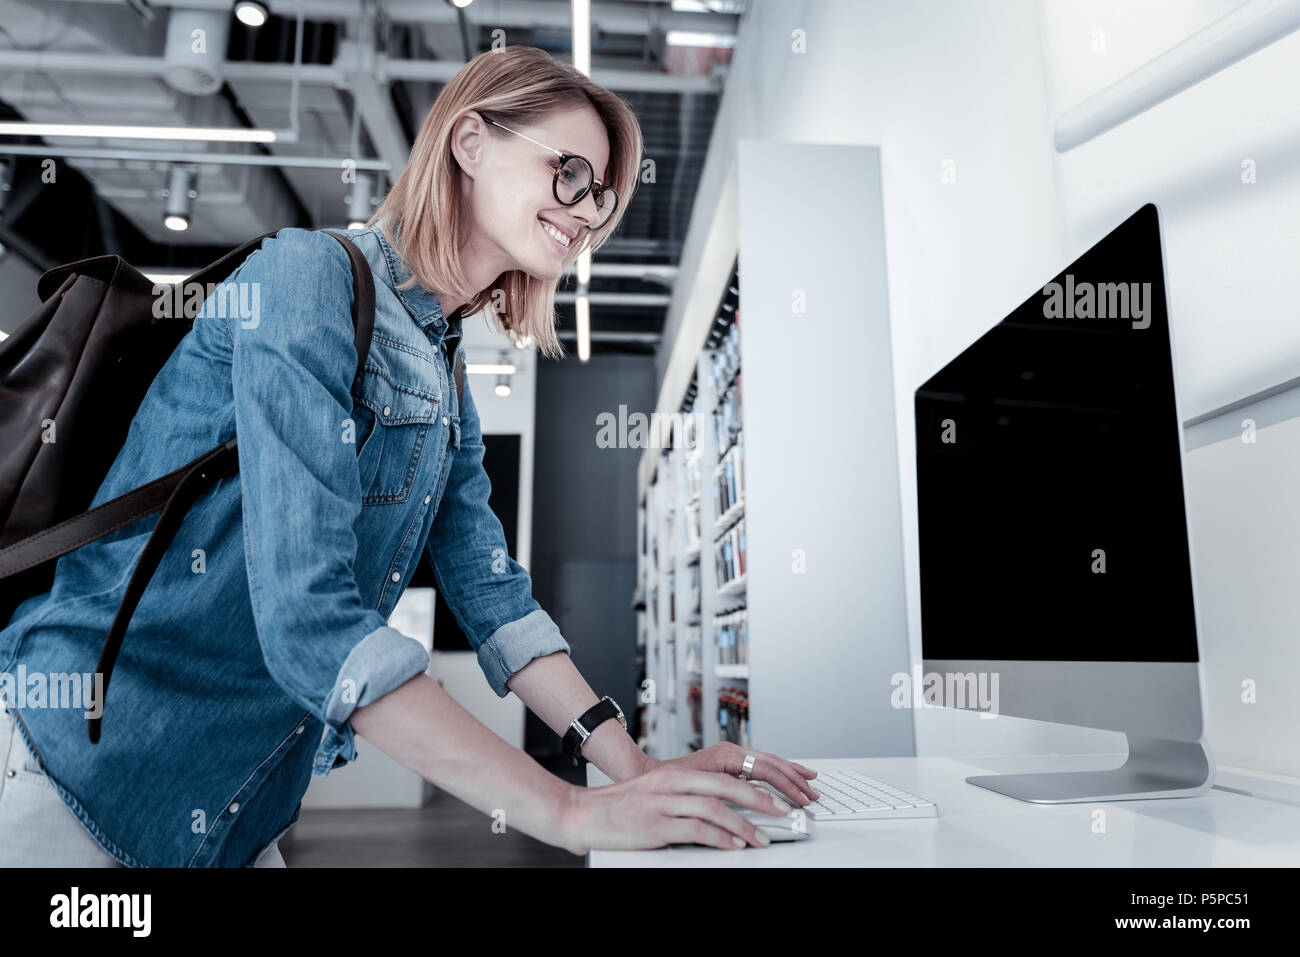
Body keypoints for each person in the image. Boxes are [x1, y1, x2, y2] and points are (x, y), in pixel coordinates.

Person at [0, 45, 816, 867]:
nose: (588, 211)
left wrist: (638, 771)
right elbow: (310, 619)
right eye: (571, 173)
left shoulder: (440, 361)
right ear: (469, 142)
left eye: (601, 195)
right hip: (74, 777)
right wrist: (571, 812)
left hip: (232, 807)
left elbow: (490, 592)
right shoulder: (303, 276)